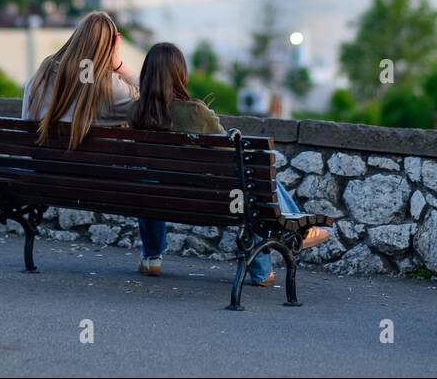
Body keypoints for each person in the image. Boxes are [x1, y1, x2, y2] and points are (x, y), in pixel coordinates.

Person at [127, 42, 329, 284]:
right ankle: (294, 235)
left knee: (151, 183)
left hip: (154, 194)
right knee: (252, 182)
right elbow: (230, 154)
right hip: (210, 199)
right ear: (180, 74)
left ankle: (151, 260)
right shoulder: (194, 112)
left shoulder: (135, 113)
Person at [21, 11, 140, 147]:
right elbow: (153, 103)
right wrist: (119, 66)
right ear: (112, 46)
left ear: (76, 38)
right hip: (96, 167)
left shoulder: (40, 76)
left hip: (43, 166)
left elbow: (27, 125)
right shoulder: (110, 87)